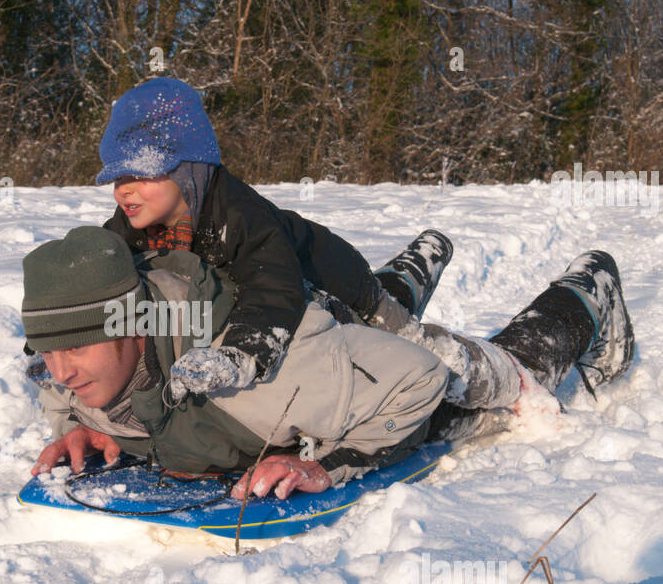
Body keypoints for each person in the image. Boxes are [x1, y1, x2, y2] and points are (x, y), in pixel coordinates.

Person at [22, 227, 635, 500]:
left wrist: (327, 462)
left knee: (484, 373)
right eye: (48, 352)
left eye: (76, 349)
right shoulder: (84, 357)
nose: (62, 370)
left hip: (357, 380)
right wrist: (78, 427)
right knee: (365, 311)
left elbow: (414, 378)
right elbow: (59, 377)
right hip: (327, 318)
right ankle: (429, 251)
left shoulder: (261, 381)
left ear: (137, 326)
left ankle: (589, 286)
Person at [94, 77, 453, 402]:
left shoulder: (239, 215)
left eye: (138, 175)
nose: (123, 190)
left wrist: (242, 352)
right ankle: (411, 270)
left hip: (341, 281)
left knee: (405, 340)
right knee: (394, 296)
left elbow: (273, 289)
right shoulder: (129, 226)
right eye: (116, 179)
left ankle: (463, 370)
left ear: (187, 169)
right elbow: (98, 277)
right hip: (308, 286)